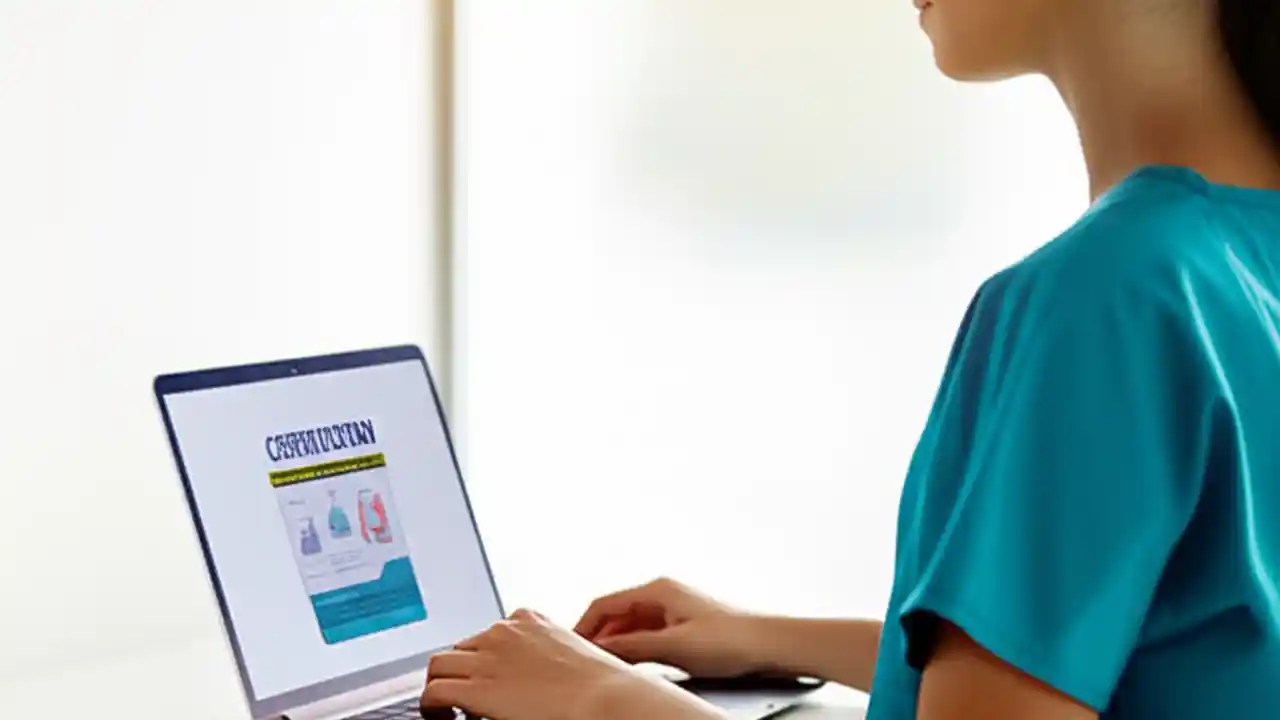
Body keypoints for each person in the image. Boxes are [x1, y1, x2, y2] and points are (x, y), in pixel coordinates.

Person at [422, 0, 1280, 717]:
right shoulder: (1228, 265)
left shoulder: (1107, 296)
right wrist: (763, 636)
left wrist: (604, 702)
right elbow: (1162, 654)